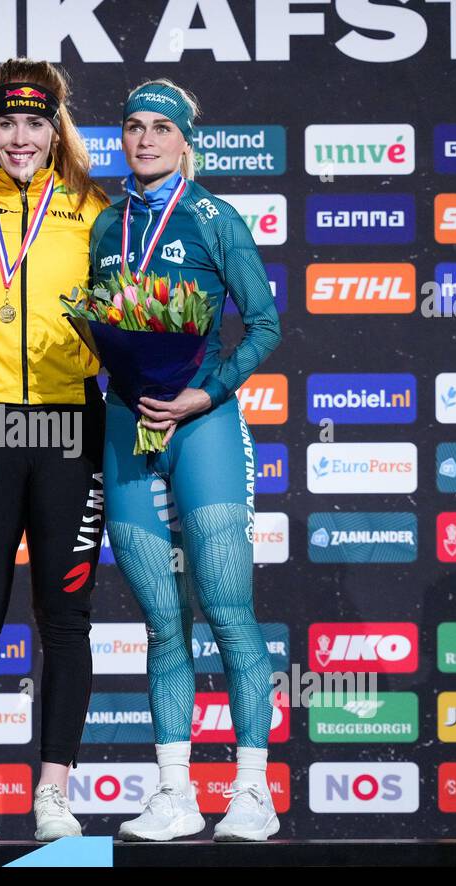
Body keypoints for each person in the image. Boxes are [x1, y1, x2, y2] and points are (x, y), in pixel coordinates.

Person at [88, 79, 282, 841]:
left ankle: (252, 793)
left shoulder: (213, 217)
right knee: (162, 623)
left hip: (203, 426)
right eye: (133, 127)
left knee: (229, 613)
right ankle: (173, 793)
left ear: (184, 138)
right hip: (126, 426)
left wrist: (207, 395)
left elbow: (264, 325)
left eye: (160, 128)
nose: (143, 140)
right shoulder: (105, 224)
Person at [0, 59, 110, 842]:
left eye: (35, 123)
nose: (19, 137)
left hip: (72, 427)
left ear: (55, 126)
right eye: (6, 123)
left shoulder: (96, 209)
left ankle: (54, 794)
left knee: (66, 617)